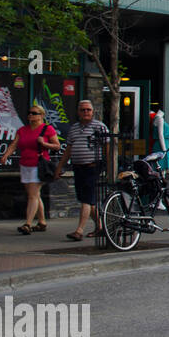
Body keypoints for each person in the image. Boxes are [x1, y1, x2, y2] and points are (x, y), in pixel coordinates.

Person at [0, 104, 61, 234]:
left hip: (38, 165)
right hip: (25, 164)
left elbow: (57, 146)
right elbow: (14, 144)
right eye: (30, 113)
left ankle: (27, 223)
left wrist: (44, 143)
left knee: (33, 195)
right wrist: (6, 155)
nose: (31, 115)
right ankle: (42, 221)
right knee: (34, 194)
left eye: (34, 113)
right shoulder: (22, 130)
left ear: (41, 115)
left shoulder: (47, 129)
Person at [54, 100, 109, 241]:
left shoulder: (100, 127)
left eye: (88, 110)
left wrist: (109, 166)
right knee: (86, 200)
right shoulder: (74, 128)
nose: (86, 112)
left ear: (92, 112)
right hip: (78, 167)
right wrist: (60, 167)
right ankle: (101, 227)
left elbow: (108, 147)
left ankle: (79, 231)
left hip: (92, 166)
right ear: (78, 112)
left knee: (86, 198)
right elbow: (68, 149)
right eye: (83, 110)